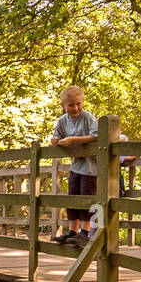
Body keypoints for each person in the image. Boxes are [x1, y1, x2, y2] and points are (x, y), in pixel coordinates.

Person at [49, 85, 97, 247]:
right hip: (77, 165)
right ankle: (72, 231)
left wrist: (73, 140)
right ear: (63, 106)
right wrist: (56, 141)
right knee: (72, 197)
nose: (75, 108)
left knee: (86, 199)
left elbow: (95, 136)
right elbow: (58, 136)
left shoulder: (88, 118)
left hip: (92, 167)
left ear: (83, 103)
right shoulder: (62, 121)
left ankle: (85, 232)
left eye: (79, 104)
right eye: (71, 105)